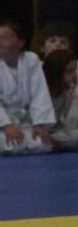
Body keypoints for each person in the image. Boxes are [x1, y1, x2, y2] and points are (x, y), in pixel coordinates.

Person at [0, 19, 55, 156]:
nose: (0, 41)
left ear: (21, 42)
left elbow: (40, 94)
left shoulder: (31, 60)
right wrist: (6, 125)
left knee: (43, 143)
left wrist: (39, 124)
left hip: (25, 124)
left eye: (6, 37)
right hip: (3, 125)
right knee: (6, 142)